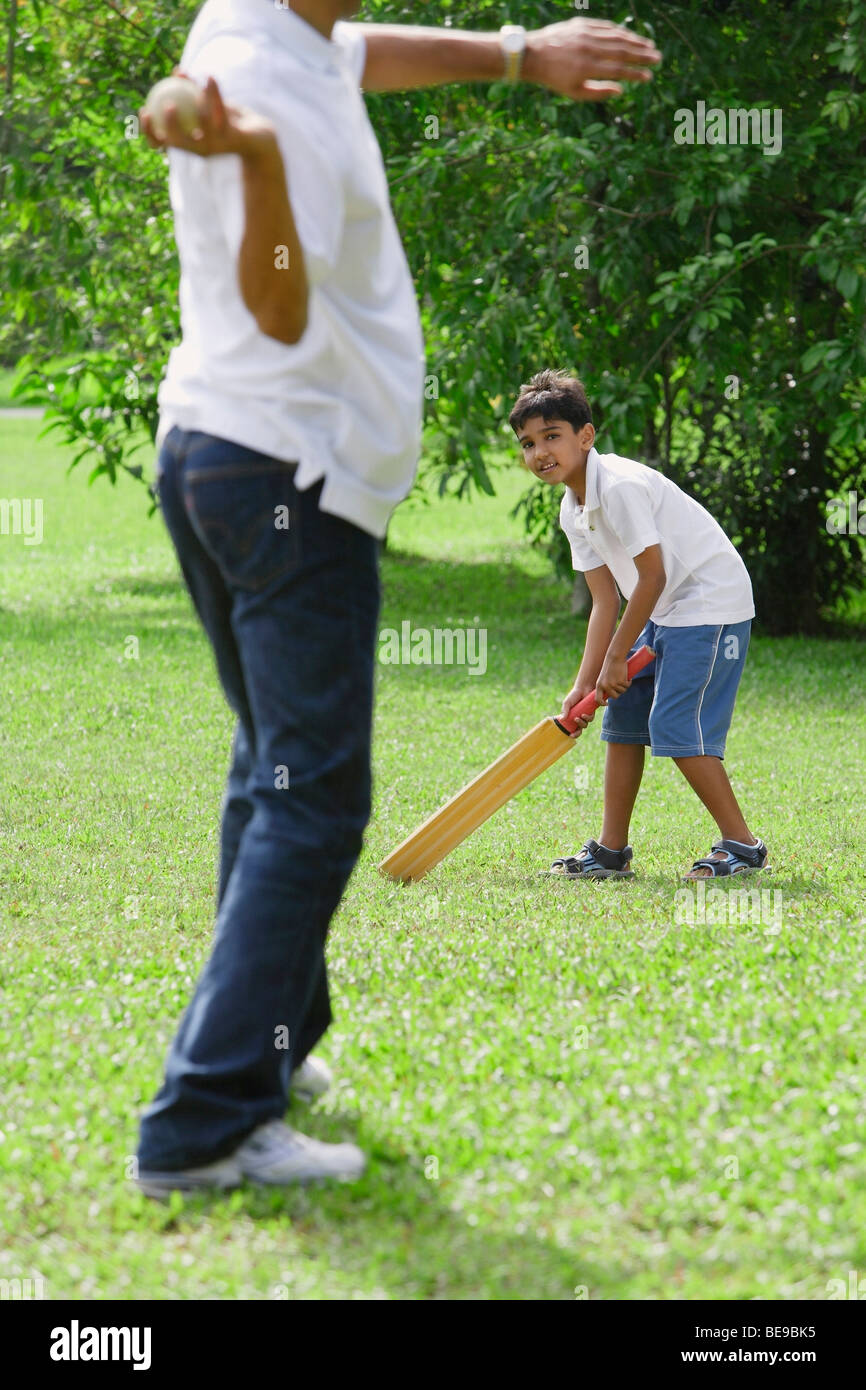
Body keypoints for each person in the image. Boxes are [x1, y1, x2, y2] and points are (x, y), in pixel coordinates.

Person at [135, 4, 661, 1197]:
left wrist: (523, 56)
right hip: (286, 477)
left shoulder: (280, 29)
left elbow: (367, 49)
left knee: (270, 765)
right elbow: (275, 306)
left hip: (221, 454)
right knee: (313, 796)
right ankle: (207, 1123)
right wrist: (260, 157)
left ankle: (271, 1032)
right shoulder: (257, 84)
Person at [509, 369, 768, 884]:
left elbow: (651, 577)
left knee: (673, 726)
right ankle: (611, 850)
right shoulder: (572, 506)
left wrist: (614, 658)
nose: (540, 453)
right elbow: (605, 599)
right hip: (665, 608)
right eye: (528, 443)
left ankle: (743, 845)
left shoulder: (621, 487)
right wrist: (584, 682)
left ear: (586, 436)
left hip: (709, 604)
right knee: (622, 720)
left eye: (552, 436)